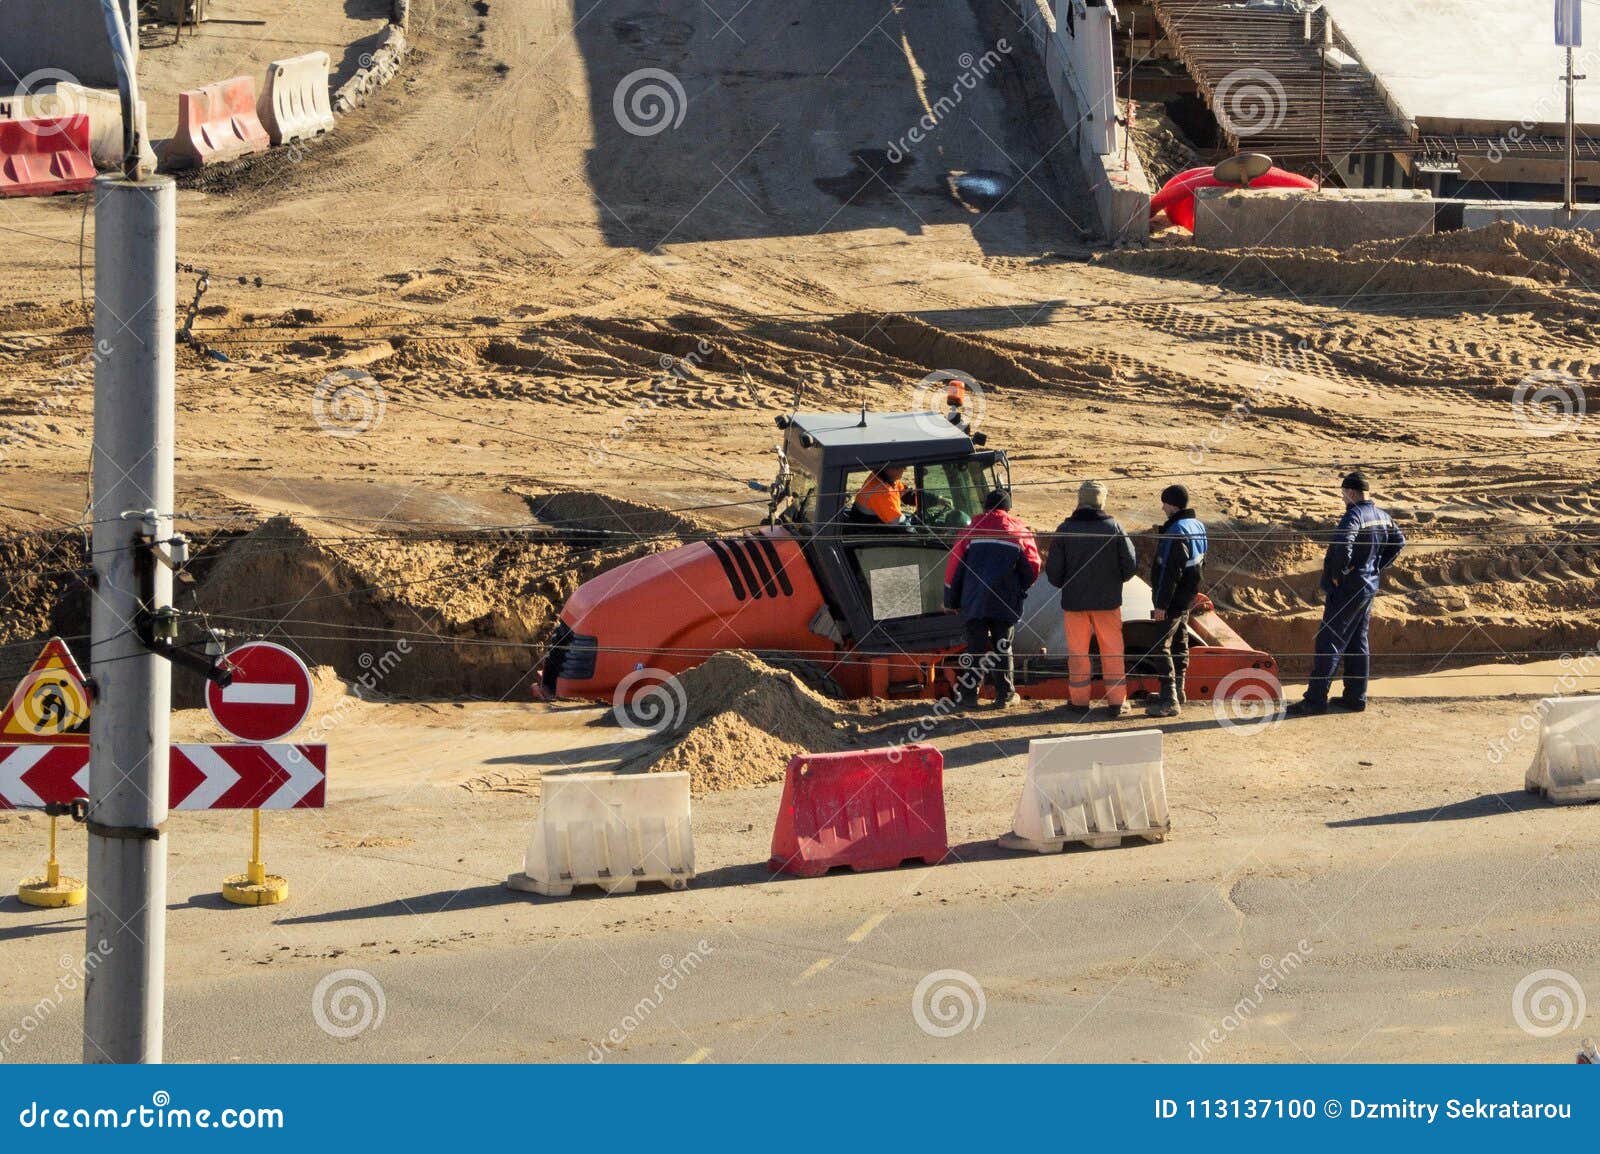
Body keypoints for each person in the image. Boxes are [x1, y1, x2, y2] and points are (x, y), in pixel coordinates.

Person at [1287, 471, 1406, 716]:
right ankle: (1355, 698)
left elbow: (1344, 543)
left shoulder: (1354, 515)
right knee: (1357, 642)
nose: (1343, 498)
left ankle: (1315, 701)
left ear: (1351, 492)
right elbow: (1399, 541)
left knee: (1329, 642)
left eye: (1343, 494)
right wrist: (1376, 566)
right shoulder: (1383, 516)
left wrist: (1339, 573)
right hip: (1368, 586)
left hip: (1348, 589)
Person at [1045, 480, 1137, 718]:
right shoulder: (1114, 527)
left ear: (1079, 500)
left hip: (1075, 604)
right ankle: (1117, 703)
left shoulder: (1065, 529)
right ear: (1102, 501)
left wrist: (1070, 585)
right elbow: (1130, 565)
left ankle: (1079, 703)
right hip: (1108, 604)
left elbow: (1053, 572)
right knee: (1112, 652)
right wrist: (1112, 582)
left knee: (1078, 654)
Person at [944, 489, 1042, 708]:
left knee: (975, 648)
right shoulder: (1019, 531)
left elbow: (954, 568)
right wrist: (1019, 588)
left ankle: (969, 697)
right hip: (1004, 601)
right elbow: (1033, 567)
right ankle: (1004, 696)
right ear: (1008, 509)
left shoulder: (969, 531)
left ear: (986, 507)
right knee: (1003, 647)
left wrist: (951, 601)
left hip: (974, 600)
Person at [1146, 484, 1207, 718]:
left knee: (1160, 645)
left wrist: (1161, 605)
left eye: (1164, 503)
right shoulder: (1197, 525)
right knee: (1180, 642)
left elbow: (1168, 573)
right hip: (1187, 597)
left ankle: (1169, 698)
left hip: (1172, 599)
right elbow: (1201, 563)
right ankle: (1178, 691)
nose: (1162, 508)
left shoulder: (1176, 531)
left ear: (1172, 505)